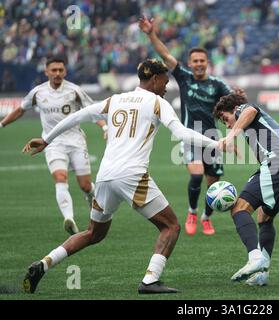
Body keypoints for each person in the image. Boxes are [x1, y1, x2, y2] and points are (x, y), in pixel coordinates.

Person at [21, 59, 226, 294]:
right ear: (156, 79)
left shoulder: (115, 100)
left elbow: (76, 117)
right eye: (165, 81)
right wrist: (217, 144)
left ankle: (44, 263)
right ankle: (150, 280)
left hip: (106, 177)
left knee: (93, 233)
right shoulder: (157, 102)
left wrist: (47, 139)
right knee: (171, 226)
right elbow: (181, 132)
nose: (167, 87)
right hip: (132, 176)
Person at [139, 16, 246, 236]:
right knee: (196, 175)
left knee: (213, 184)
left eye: (202, 61)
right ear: (189, 63)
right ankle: (192, 213)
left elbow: (233, 104)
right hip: (189, 137)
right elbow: (165, 55)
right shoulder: (184, 77)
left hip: (212, 138)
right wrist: (151, 34)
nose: (198, 64)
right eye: (195, 61)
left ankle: (207, 218)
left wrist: (239, 99)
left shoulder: (217, 84)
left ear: (207, 63)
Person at [0, 56, 107, 235]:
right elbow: (20, 110)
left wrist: (105, 127)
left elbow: (92, 111)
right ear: (46, 71)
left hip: (76, 142)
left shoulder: (74, 91)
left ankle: (93, 202)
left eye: (60, 70)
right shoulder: (38, 92)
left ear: (65, 71)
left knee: (85, 185)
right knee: (60, 177)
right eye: (54, 70)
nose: (57, 73)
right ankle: (69, 219)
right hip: (52, 143)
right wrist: (1, 124)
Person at [214, 93, 279, 286]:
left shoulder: (244, 109)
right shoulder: (266, 124)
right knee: (264, 217)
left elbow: (249, 110)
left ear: (234, 110)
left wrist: (230, 136)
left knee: (238, 208)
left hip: (277, 166)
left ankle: (255, 258)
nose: (228, 125)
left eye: (226, 119)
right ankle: (262, 273)